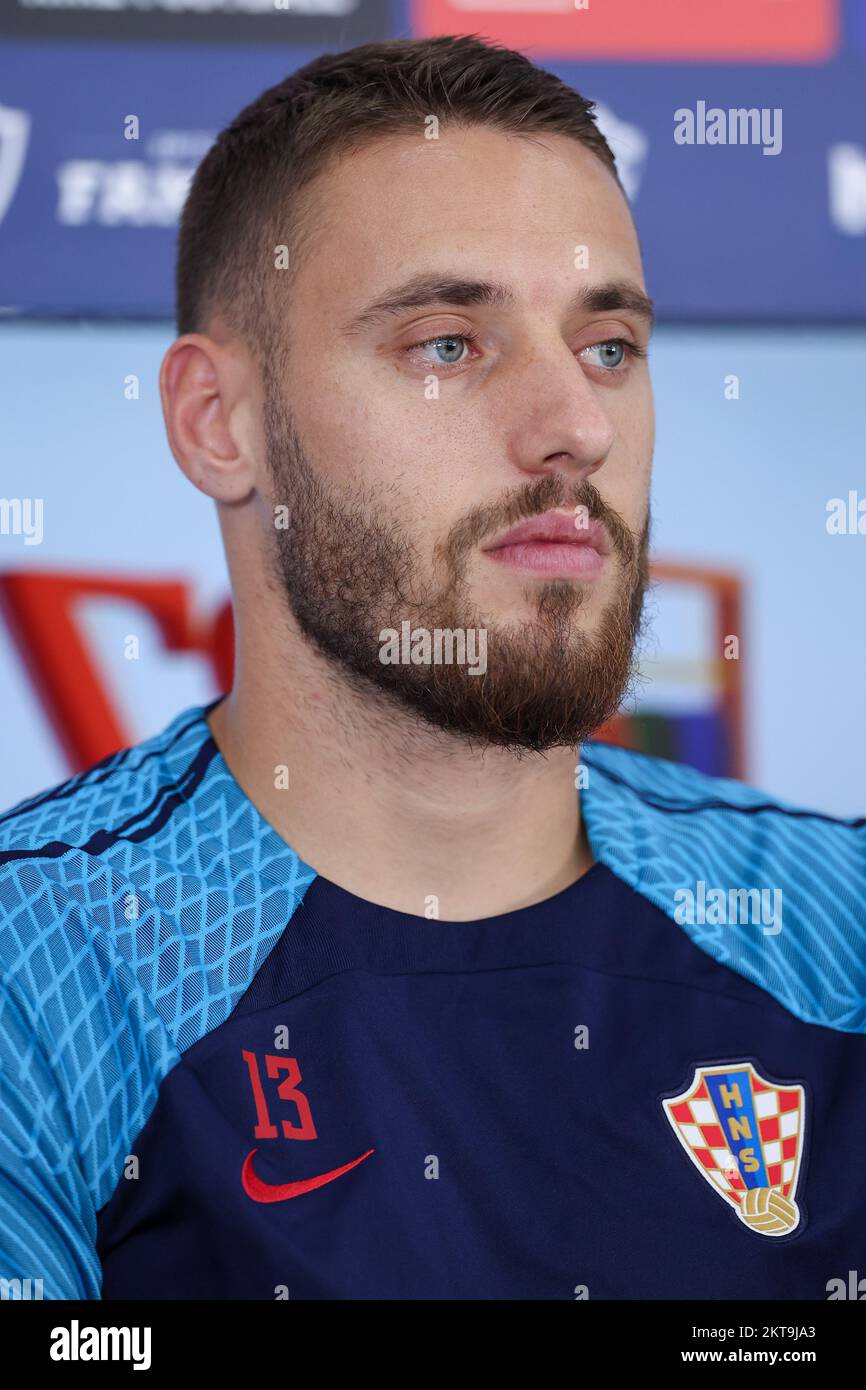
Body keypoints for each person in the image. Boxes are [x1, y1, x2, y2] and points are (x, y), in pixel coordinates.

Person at [1, 35, 863, 1301]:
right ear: (216, 422)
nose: (574, 426)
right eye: (448, 343)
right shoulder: (36, 973)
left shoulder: (832, 920)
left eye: (607, 347)